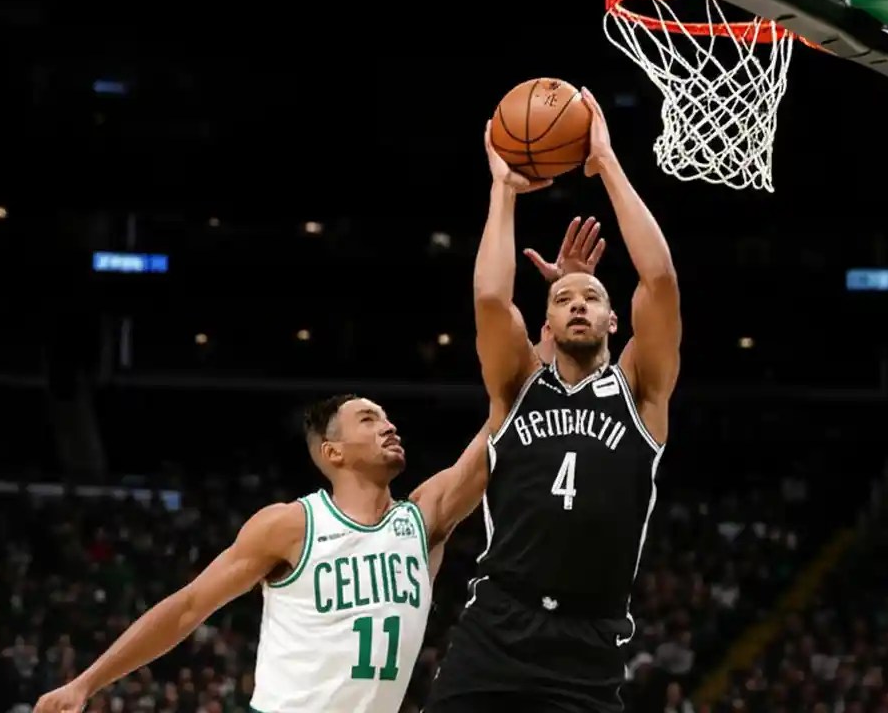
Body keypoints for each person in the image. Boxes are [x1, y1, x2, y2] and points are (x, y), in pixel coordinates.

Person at [425, 88, 682, 713]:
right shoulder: (517, 386)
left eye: (591, 297)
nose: (577, 304)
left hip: (588, 643)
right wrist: (503, 191)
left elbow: (659, 280)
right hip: (496, 627)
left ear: (614, 321)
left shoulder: (641, 391)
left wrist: (606, 163)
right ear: (546, 323)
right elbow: (491, 299)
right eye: (564, 299)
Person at [33, 394, 492, 713]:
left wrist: (532, 351)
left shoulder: (422, 519)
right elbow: (188, 607)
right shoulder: (292, 525)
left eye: (387, 418)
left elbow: (500, 427)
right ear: (332, 452)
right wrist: (85, 683)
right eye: (369, 420)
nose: (389, 426)